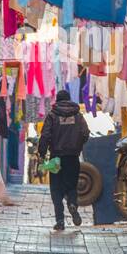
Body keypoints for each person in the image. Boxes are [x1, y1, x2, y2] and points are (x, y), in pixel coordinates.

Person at [37, 89, 91, 230]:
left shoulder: (52, 116)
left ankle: (60, 220)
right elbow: (85, 133)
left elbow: (45, 135)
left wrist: (42, 153)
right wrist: (77, 146)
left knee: (56, 188)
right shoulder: (78, 116)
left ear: (58, 100)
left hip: (56, 158)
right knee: (71, 185)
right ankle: (72, 204)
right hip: (73, 157)